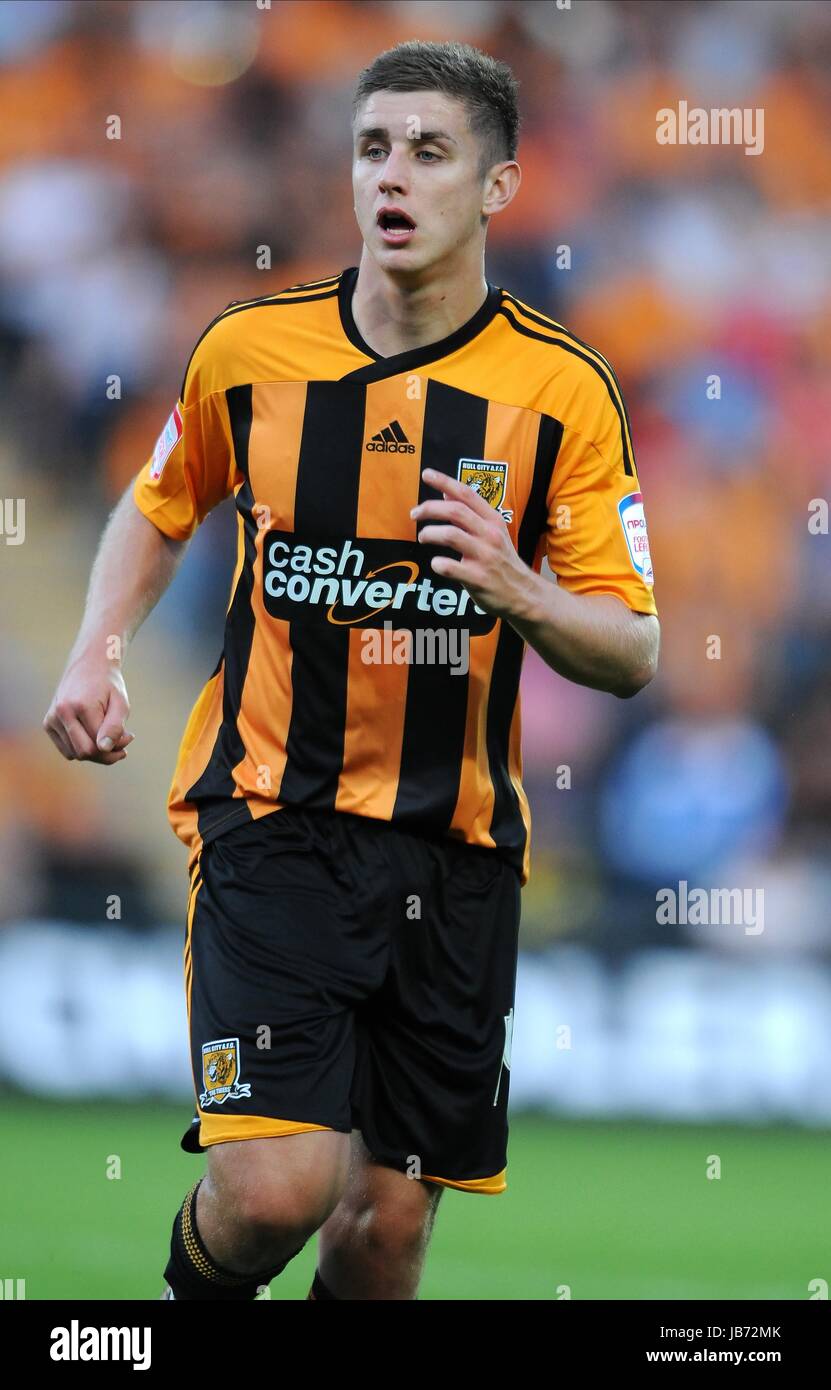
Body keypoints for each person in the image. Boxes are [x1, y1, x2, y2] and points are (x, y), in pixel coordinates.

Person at [43, 39, 659, 1301]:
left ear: (498, 186)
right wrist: (96, 650)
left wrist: (521, 589)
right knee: (276, 1189)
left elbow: (635, 647)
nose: (393, 175)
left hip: (456, 852)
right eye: (374, 147)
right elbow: (160, 506)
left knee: (383, 1236)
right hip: (273, 818)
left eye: (430, 152)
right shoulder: (253, 352)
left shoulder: (561, 392)